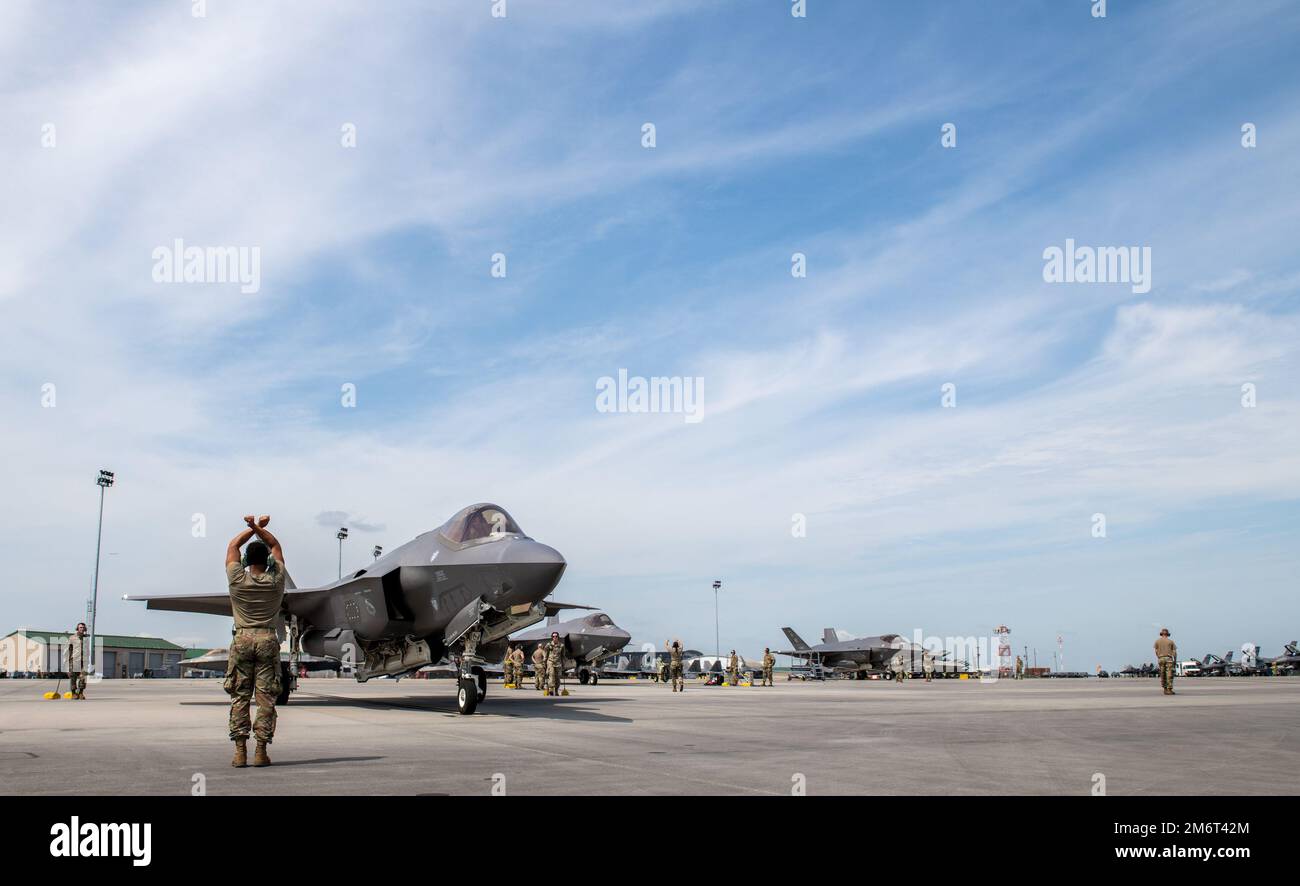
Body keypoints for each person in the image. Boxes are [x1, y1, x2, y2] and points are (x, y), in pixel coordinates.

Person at [225, 515, 286, 768]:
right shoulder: (276, 581)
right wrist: (260, 529)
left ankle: (240, 753)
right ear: (268, 561)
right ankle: (260, 751)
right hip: (267, 640)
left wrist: (250, 527)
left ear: (246, 561)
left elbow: (232, 547)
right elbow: (276, 547)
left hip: (242, 639)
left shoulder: (237, 580)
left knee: (240, 697)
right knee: (265, 699)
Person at [66, 623, 88, 699]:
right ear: (77, 628)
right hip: (74, 660)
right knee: (73, 677)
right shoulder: (72, 638)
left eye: (83, 627)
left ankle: (81, 693)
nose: (82, 628)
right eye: (80, 627)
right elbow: (69, 650)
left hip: (83, 661)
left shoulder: (87, 638)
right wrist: (67, 661)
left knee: (83, 677)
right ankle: (73, 693)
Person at [1154, 628, 1178, 696]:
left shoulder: (1157, 641)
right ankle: (1169, 689)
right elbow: (1174, 652)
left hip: (1161, 658)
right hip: (1169, 659)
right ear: (1167, 634)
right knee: (1169, 674)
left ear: (1161, 634)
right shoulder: (1170, 641)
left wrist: (1159, 657)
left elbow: (1156, 651)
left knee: (1162, 674)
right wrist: (1175, 660)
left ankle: (1165, 688)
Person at [545, 632, 565, 696]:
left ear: (558, 637)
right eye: (553, 636)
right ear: (552, 637)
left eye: (556, 636)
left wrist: (563, 664)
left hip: (558, 663)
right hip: (550, 662)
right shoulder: (548, 645)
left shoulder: (561, 646)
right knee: (551, 675)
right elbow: (546, 654)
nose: (555, 637)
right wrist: (545, 662)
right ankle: (551, 689)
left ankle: (556, 691)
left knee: (557, 678)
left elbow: (563, 656)